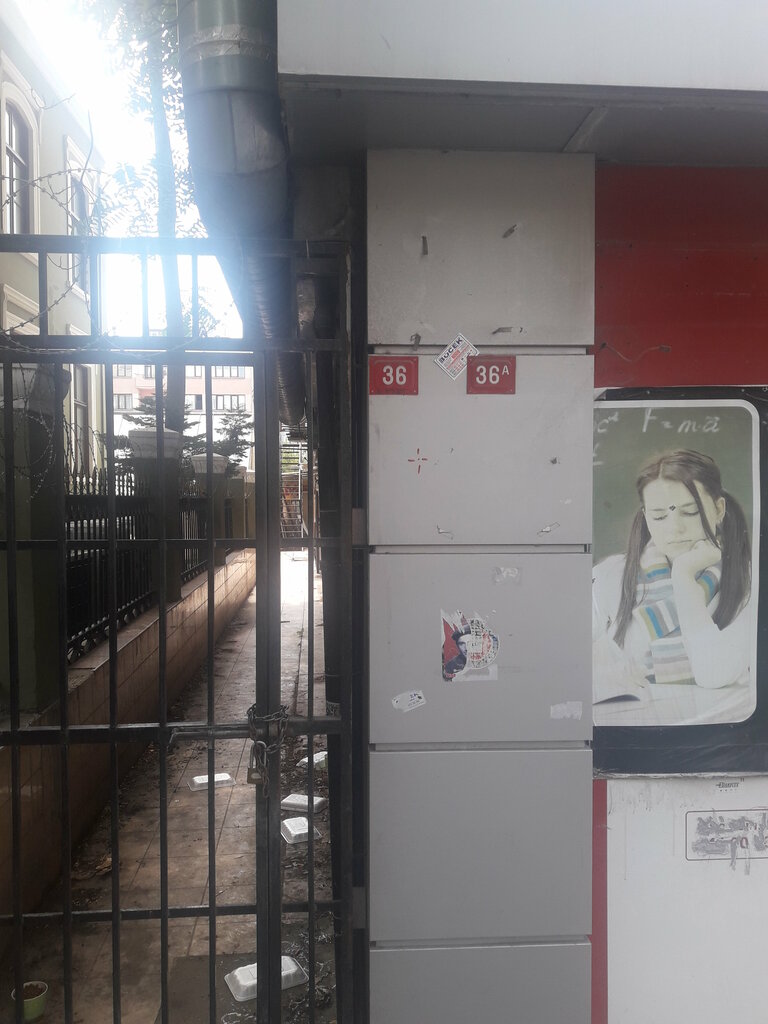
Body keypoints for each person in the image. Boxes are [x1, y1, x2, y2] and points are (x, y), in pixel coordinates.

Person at [593, 449, 752, 707]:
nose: (675, 528)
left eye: (690, 512)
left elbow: (714, 674)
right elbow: (565, 658)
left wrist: (684, 577)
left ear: (719, 509)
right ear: (646, 517)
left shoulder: (749, 581)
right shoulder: (611, 575)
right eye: (659, 516)